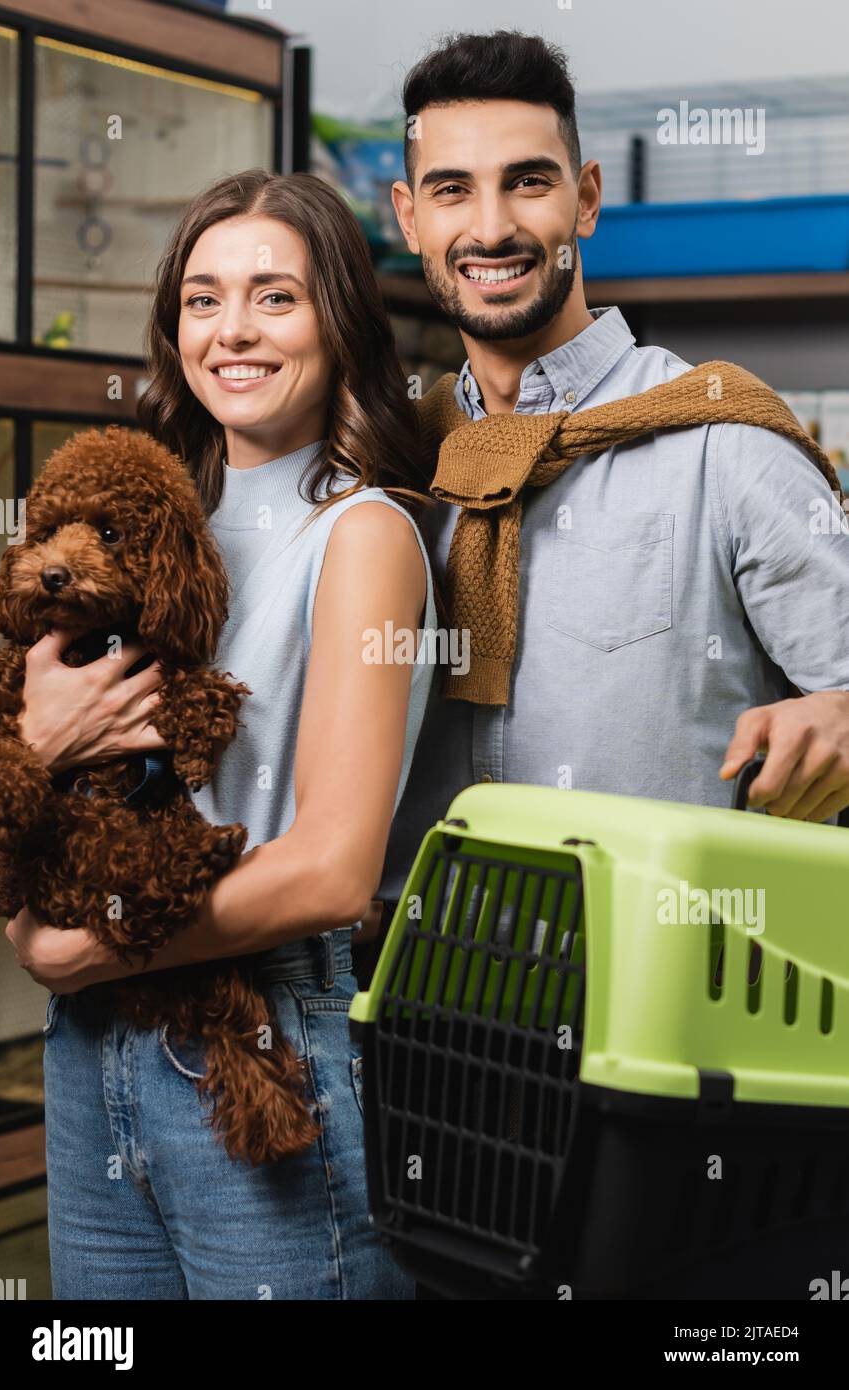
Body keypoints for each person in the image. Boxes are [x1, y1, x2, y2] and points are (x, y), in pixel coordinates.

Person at [7, 169, 436, 1300]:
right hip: (92, 1045)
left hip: (267, 1033)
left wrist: (75, 946)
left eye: (273, 297)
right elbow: (38, 777)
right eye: (203, 299)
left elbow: (334, 868)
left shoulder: (364, 532)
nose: (232, 331)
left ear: (338, 319)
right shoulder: (143, 533)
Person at [379, 28, 849, 913]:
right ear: (410, 218)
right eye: (452, 191)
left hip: (658, 1008)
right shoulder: (394, 466)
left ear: (585, 199)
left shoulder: (725, 438)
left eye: (528, 180)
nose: (491, 227)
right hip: (420, 1008)